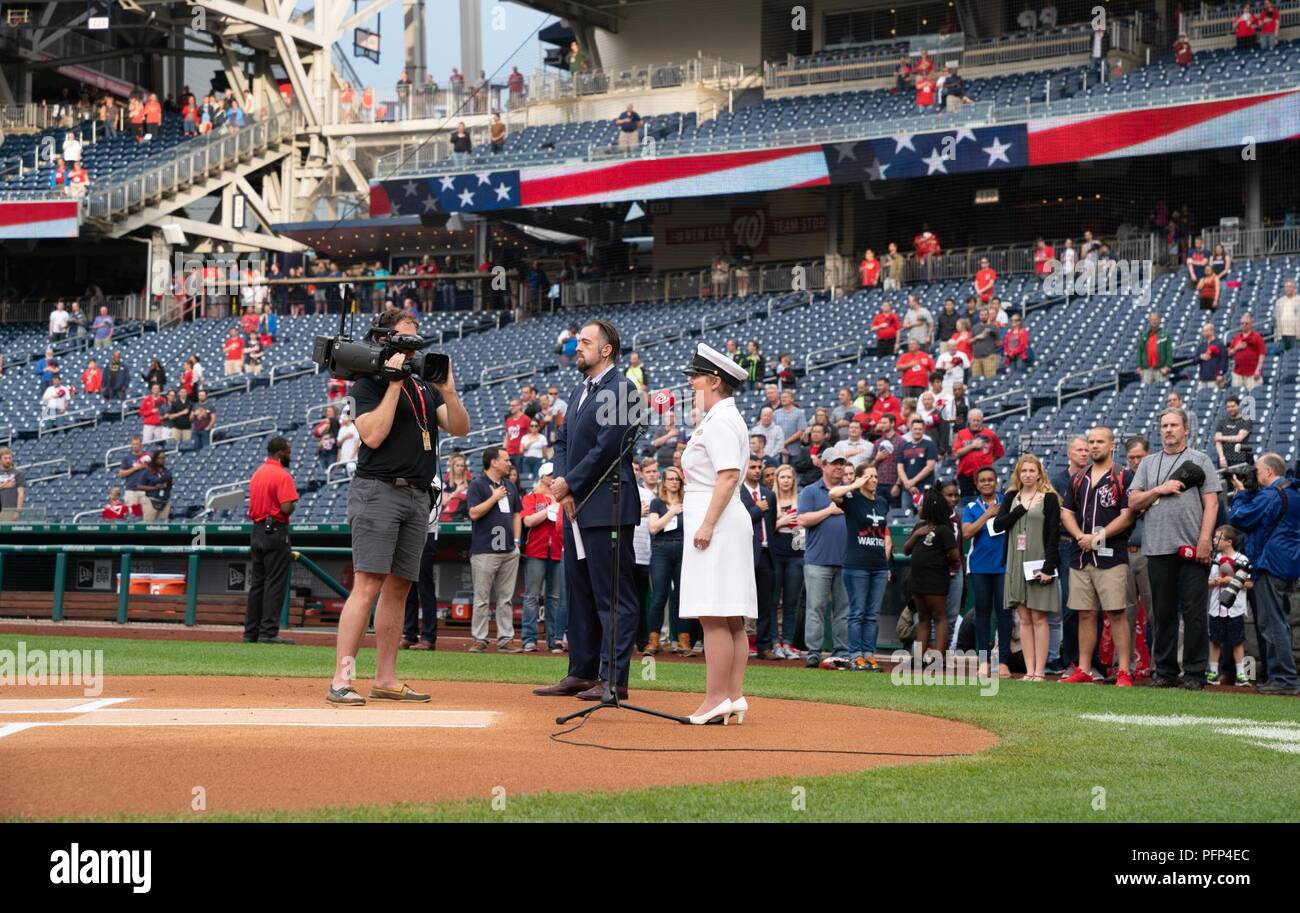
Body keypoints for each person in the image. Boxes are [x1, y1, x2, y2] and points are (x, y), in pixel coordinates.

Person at [327, 309, 469, 705]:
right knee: (368, 584)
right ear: (385, 341)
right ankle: (342, 679)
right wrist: (391, 384)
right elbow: (372, 436)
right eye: (404, 341)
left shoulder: (424, 387)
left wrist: (450, 390)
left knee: (399, 588)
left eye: (415, 341)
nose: (412, 349)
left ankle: (386, 679)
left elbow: (460, 428)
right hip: (378, 490)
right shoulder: (365, 383)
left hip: (417, 494)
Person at [533, 321, 643, 703]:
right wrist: (562, 485)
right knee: (579, 592)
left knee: (613, 596)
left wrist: (570, 484)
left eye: (584, 342)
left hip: (608, 506)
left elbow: (609, 448)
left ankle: (614, 680)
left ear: (606, 349)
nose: (577, 347)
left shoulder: (623, 389)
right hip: (576, 507)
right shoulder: (580, 389)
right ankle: (581, 672)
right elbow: (562, 441)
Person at [675, 343, 755, 724]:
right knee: (730, 615)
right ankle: (734, 696)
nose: (691, 383)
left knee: (712, 614)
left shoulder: (721, 420)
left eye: (696, 377)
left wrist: (706, 523)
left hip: (717, 518)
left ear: (715, 381)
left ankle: (716, 698)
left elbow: (727, 476)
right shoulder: (722, 417)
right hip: (722, 516)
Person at [1128, 408, 1221, 689]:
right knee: (1163, 614)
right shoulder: (1148, 463)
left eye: (1173, 425)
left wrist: (1205, 541)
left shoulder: (1200, 459)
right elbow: (1133, 502)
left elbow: (1212, 503)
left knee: (1194, 614)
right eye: (1164, 426)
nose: (1168, 430)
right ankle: (1165, 671)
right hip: (1157, 548)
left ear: (1186, 429)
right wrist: (1159, 489)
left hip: (1192, 549)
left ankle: (1194, 673)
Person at [1058, 426, 1136, 686]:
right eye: (1091, 442)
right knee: (1085, 613)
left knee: (1116, 613)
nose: (1094, 446)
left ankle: (1124, 670)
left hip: (1111, 555)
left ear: (1112, 445)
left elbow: (1128, 517)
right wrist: (1080, 535)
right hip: (1081, 555)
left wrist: (1096, 538)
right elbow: (1066, 512)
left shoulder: (1124, 475)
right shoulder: (1079, 477)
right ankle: (1084, 668)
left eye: (1099, 442)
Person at [1226, 453, 1300, 694]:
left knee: (1272, 622)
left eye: (1256, 471)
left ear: (1269, 472)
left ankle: (1285, 679)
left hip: (1271, 563)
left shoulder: (1271, 494)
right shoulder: (1291, 491)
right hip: (1287, 562)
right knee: (1279, 621)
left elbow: (1239, 518)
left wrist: (1241, 494)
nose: (1253, 475)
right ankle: (1280, 676)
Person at [994, 454, 1061, 681]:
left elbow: (1054, 534)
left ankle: (1040, 671)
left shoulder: (1049, 498)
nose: (1028, 475)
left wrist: (1049, 567)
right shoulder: (1011, 496)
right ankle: (1029, 670)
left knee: (1039, 617)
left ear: (1040, 473)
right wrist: (1018, 510)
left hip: (1039, 562)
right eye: (1024, 471)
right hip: (1015, 562)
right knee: (1023, 618)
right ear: (1018, 474)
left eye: (1032, 471)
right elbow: (998, 524)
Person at [831, 462, 891, 672]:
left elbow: (884, 534)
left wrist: (887, 563)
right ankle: (855, 655)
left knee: (872, 613)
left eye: (875, 476)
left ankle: (869, 654)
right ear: (860, 479)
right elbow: (833, 493)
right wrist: (855, 484)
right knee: (857, 612)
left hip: (878, 564)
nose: (874, 480)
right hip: (856, 564)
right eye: (869, 476)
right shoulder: (852, 499)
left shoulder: (882, 502)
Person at [466, 447, 523, 653]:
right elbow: (473, 513)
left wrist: (517, 541)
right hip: (484, 550)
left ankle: (505, 639)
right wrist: (494, 497)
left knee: (506, 598)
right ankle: (480, 639)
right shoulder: (477, 485)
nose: (509, 463)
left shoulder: (509, 485)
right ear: (494, 462)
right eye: (505, 460)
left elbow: (517, 514)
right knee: (482, 599)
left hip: (508, 550)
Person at [798, 446, 851, 670]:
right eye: (834, 463)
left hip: (847, 560)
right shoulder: (811, 491)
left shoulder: (850, 492)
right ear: (824, 465)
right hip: (817, 559)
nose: (839, 466)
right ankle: (813, 653)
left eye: (842, 463)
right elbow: (802, 519)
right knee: (816, 608)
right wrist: (828, 510)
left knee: (843, 610)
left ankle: (842, 652)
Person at [245, 437, 299, 644]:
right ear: (280, 453)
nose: (290, 455)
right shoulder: (281, 475)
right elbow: (286, 507)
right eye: (288, 451)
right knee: (275, 583)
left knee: (257, 583)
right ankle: (268, 633)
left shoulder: (257, 473)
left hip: (257, 530)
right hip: (275, 530)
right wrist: (292, 506)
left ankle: (251, 632)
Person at [903, 486, 961, 662]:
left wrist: (938, 561)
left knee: (939, 617)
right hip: (917, 580)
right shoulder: (919, 526)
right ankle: (918, 658)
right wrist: (916, 535)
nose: (919, 509)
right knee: (923, 618)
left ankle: (938, 658)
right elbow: (906, 550)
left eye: (922, 506)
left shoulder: (944, 529)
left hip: (935, 579)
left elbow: (955, 555)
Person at [963, 467, 1008, 676]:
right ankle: (984, 660)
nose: (987, 483)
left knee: (1004, 612)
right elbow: (966, 532)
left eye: (990, 480)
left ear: (996, 482)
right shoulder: (971, 506)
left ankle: (1004, 661)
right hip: (979, 566)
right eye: (983, 481)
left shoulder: (1006, 502)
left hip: (1004, 565)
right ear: (977, 484)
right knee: (982, 613)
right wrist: (988, 515)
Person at [647, 465, 695, 656]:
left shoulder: (688, 503)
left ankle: (683, 641)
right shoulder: (657, 503)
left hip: (683, 548)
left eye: (677, 479)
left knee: (682, 597)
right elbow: (653, 528)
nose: (674, 482)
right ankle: (653, 641)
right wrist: (672, 512)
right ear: (664, 483)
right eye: (671, 479)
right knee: (659, 596)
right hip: (661, 549)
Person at [740, 456, 779, 660]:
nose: (757, 470)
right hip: (744, 553)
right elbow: (738, 522)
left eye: (759, 467)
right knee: (738, 601)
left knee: (766, 602)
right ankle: (737, 646)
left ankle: (764, 646)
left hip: (766, 553)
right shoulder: (736, 493)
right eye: (753, 467)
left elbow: (771, 525)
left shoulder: (769, 495)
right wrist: (757, 509)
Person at [1206, 525, 1251, 686]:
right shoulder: (1215, 559)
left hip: (1235, 608)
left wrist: (1230, 581)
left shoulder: (1242, 560)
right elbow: (1208, 582)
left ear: (1228, 542)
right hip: (1216, 607)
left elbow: (1250, 583)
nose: (1214, 540)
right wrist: (1215, 581)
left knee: (1237, 641)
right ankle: (1212, 672)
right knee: (1215, 640)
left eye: (1218, 537)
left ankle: (1240, 674)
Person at [952, 409, 1004, 497]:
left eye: (978, 420)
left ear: (982, 420)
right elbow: (956, 454)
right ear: (969, 421)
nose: (976, 423)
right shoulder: (961, 434)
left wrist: (988, 461)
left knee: (986, 498)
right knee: (967, 501)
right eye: (973, 420)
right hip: (965, 474)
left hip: (984, 474)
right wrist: (972, 446)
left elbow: (999, 453)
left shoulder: (990, 434)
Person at [1214, 395, 1253, 471]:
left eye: (1233, 406)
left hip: (1240, 459)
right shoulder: (1222, 421)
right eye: (1228, 407)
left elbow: (1239, 438)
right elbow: (1217, 441)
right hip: (1224, 460)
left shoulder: (1246, 420)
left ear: (1239, 406)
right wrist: (1221, 457)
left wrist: (1221, 438)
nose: (1230, 409)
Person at [1227, 313, 1266, 390]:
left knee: (1252, 398)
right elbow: (1229, 354)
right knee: (1237, 396)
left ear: (1251, 324)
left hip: (1252, 374)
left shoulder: (1257, 337)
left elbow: (1262, 354)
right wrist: (1236, 348)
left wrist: (1258, 370)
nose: (1244, 325)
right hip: (1238, 374)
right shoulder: (1236, 338)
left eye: (1246, 323)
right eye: (1242, 323)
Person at [1136, 312, 1172, 385]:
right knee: (1145, 391)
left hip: (1160, 369)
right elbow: (1140, 351)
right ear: (1149, 320)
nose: (1154, 321)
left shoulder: (1165, 335)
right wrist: (1138, 366)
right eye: (1152, 319)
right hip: (1146, 370)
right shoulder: (1144, 335)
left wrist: (1167, 366)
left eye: (1156, 319)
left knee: (1161, 388)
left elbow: (1169, 352)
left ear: (1160, 320)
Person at [138, 450, 173, 522]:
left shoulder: (167, 471)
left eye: (163, 458)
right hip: (151, 500)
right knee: (148, 526)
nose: (162, 460)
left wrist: (163, 483)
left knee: (163, 526)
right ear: (155, 459)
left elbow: (168, 481)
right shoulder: (148, 471)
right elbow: (139, 486)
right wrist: (155, 488)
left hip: (164, 501)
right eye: (160, 458)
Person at [1274, 278, 1299, 351]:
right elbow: (1276, 319)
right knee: (1284, 356)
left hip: (1296, 335)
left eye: (1290, 286)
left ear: (1294, 288)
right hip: (1282, 335)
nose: (1288, 289)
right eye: (1286, 287)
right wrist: (1277, 335)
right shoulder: (1279, 302)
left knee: (1294, 356)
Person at [0, 448, 26, 518]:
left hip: (11, 510)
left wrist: (18, 511)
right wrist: (5, 485)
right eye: (5, 458)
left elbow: (21, 493)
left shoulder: (18, 473)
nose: (8, 460)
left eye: (9, 458)